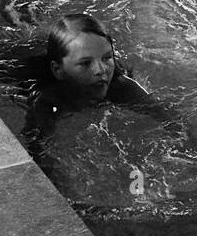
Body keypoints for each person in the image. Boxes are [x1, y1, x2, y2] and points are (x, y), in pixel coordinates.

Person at [23, 13, 157, 148]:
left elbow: (166, 115)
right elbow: (35, 148)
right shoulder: (45, 99)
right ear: (58, 70)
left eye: (106, 58)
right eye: (86, 63)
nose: (101, 70)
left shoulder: (120, 85)